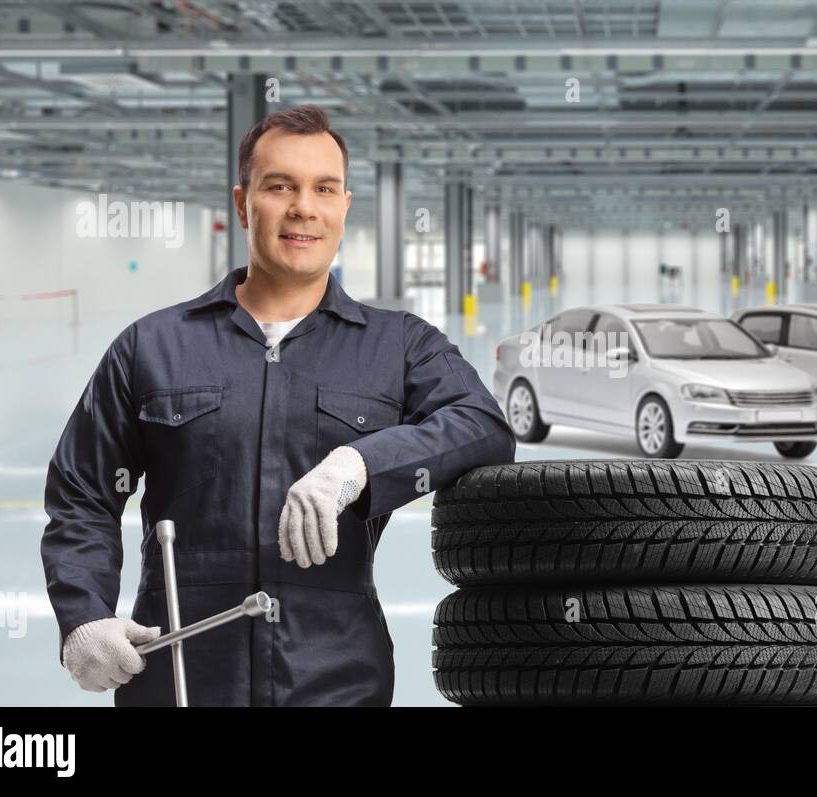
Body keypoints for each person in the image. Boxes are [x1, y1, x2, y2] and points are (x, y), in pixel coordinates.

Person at [41, 105, 515, 706]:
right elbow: (82, 493)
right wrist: (84, 614)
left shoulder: (399, 345)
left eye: (324, 188)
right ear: (243, 203)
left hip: (336, 675)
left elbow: (483, 427)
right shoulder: (152, 346)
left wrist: (359, 464)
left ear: (344, 207)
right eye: (279, 186)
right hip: (182, 673)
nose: (303, 208)